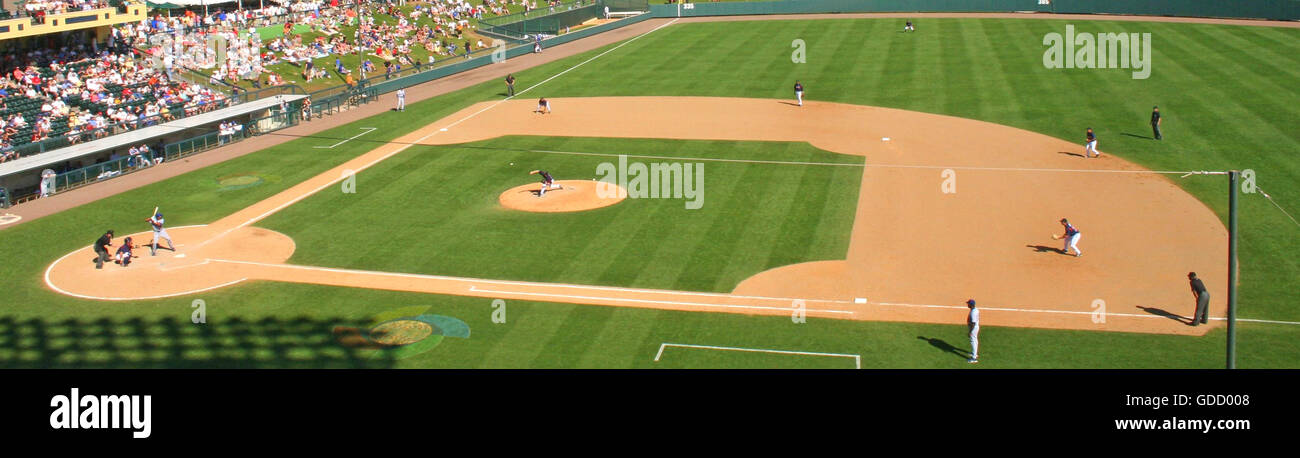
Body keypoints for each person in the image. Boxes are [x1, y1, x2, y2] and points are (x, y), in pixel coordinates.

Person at [966, 299, 979, 363]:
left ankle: (974, 358)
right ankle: (975, 353)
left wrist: (970, 332)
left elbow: (973, 323)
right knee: (975, 340)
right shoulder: (975, 309)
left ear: (971, 305)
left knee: (973, 341)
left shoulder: (973, 312)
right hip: (975, 328)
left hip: (973, 328)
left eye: (968, 303)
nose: (967, 304)